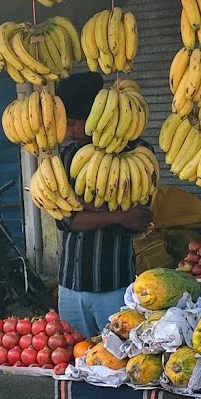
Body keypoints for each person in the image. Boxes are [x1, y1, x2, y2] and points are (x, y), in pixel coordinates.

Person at [53, 72, 154, 339]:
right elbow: (64, 218)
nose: (68, 132)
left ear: (95, 119)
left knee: (118, 362)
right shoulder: (68, 156)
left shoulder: (136, 154)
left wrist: (86, 208)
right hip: (69, 288)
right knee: (75, 359)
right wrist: (118, 216)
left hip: (114, 286)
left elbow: (139, 218)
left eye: (74, 123)